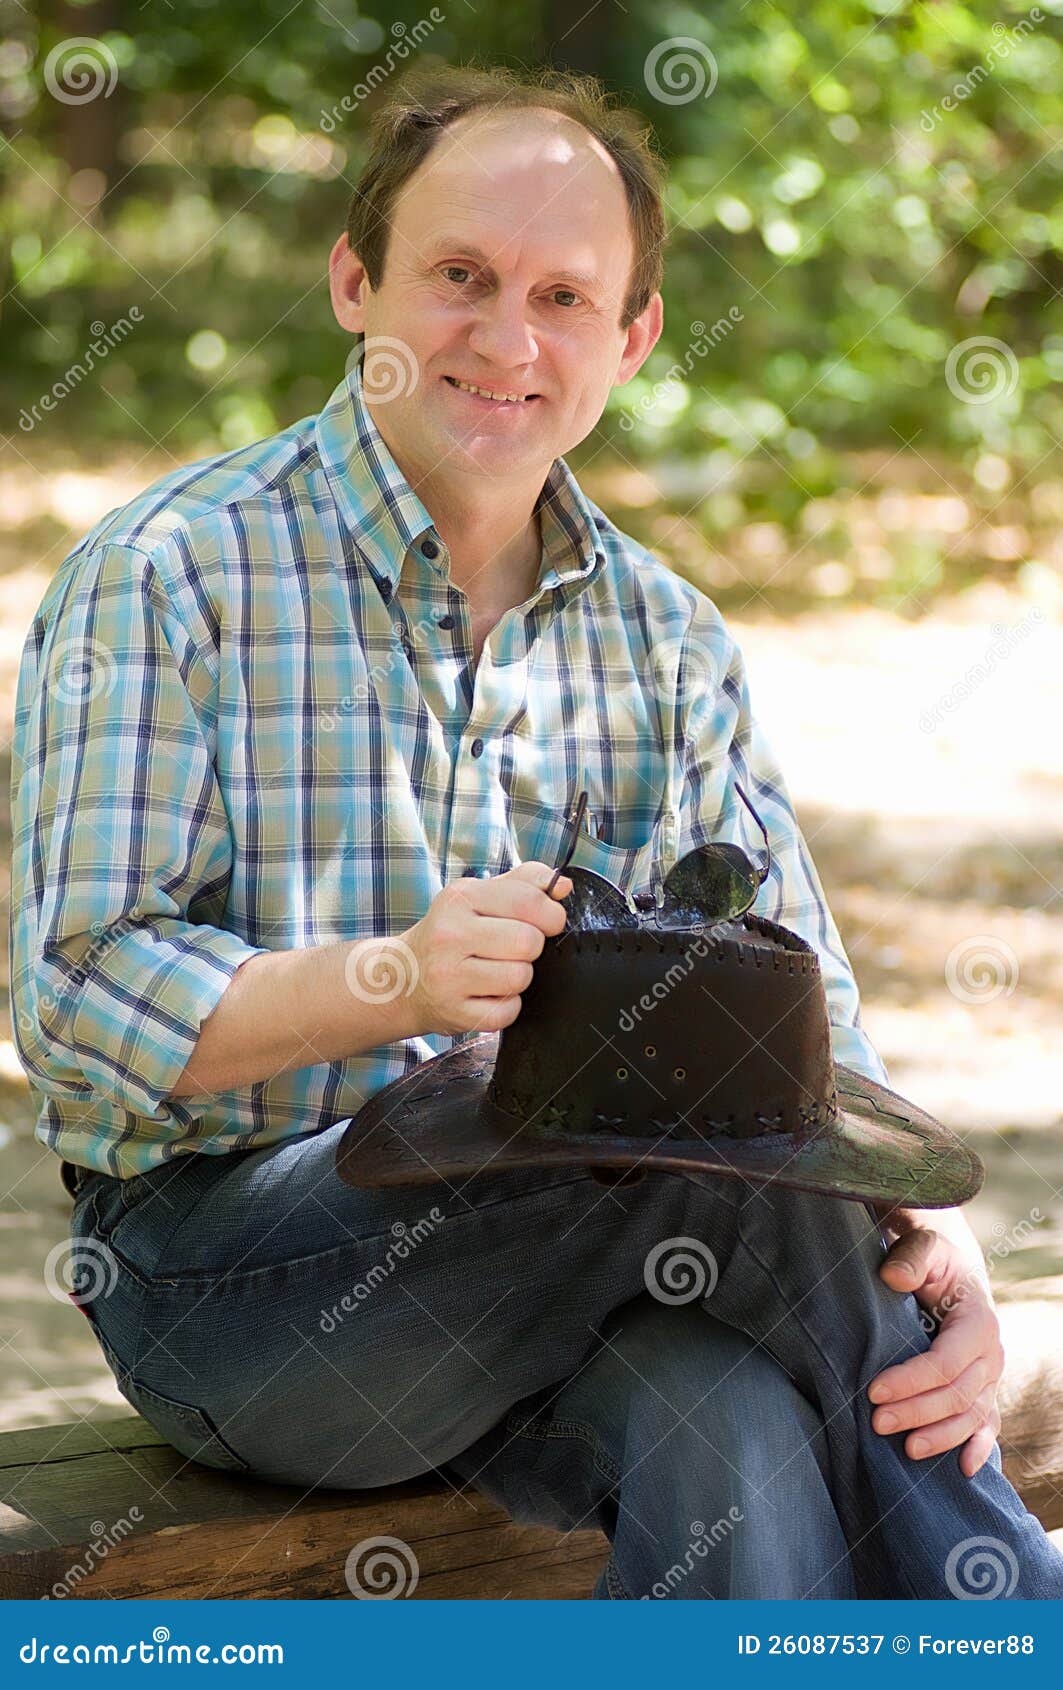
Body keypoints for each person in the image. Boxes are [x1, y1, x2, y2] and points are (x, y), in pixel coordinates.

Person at [9, 62, 1061, 1600]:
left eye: (564, 296)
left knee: (734, 1424)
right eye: (459, 277)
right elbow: (77, 1005)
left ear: (633, 338)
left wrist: (917, 1252)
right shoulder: (169, 575)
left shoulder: (668, 638)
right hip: (235, 1279)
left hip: (584, 1279)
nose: (507, 340)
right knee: (698, 1173)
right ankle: (1016, 1610)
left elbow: (803, 1005)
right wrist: (396, 983)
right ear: (354, 282)